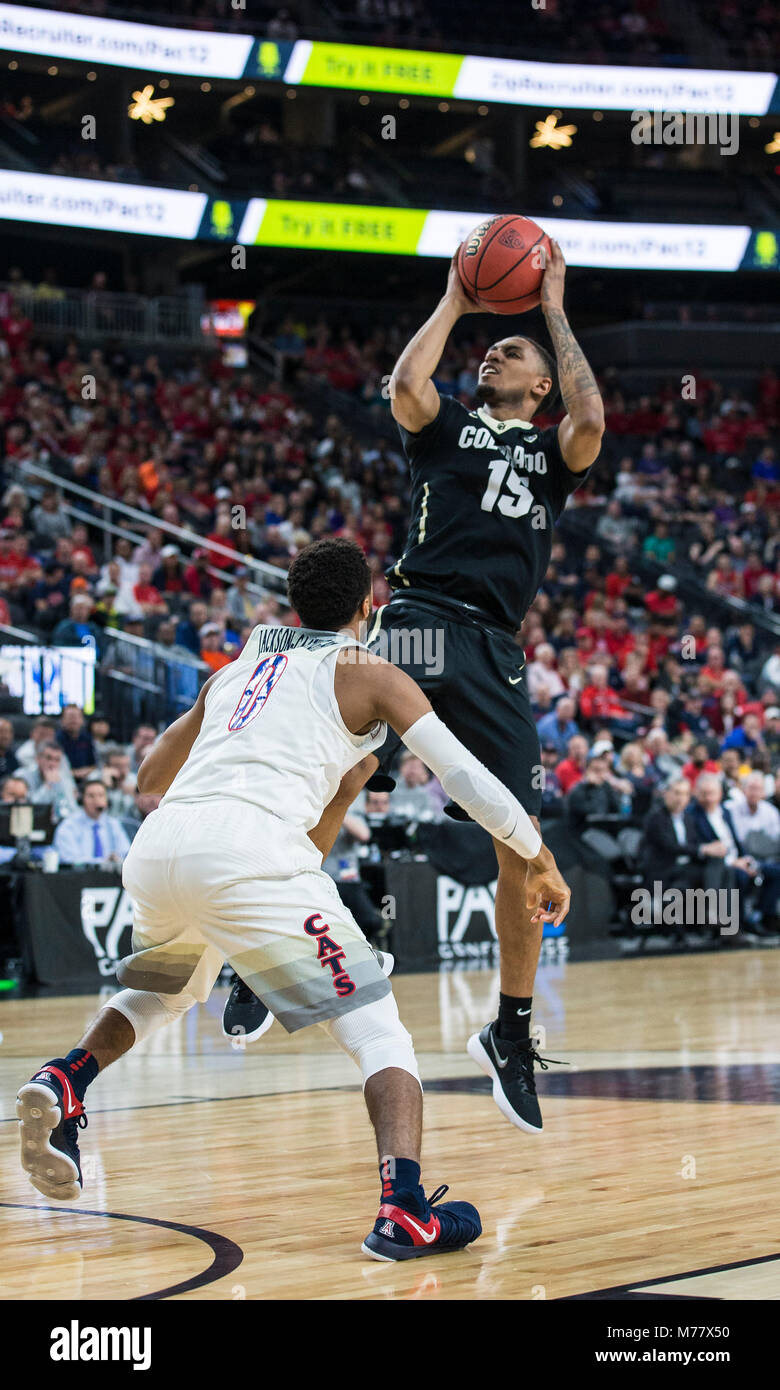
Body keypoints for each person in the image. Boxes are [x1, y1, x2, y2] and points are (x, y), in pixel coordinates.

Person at [18, 539, 568, 1261]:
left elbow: (150, 774)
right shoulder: (370, 671)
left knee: (167, 992)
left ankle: (65, 1078)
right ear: (368, 607)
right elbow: (465, 776)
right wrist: (538, 854)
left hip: (161, 846)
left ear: (292, 604)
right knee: (379, 1034)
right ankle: (404, 1210)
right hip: (249, 851)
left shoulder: (236, 671)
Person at [220, 243, 602, 1133]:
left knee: (521, 839)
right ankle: (254, 961)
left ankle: (510, 1031)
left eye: (514, 356)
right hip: (421, 616)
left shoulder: (554, 453)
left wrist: (551, 310)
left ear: (541, 385)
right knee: (343, 779)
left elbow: (591, 416)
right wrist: (455, 298)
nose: (493, 356)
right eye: (490, 350)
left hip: (496, 648)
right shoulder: (447, 426)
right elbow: (404, 384)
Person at [53, 779, 131, 866]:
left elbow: (126, 853)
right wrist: (102, 862)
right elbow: (69, 859)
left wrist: (117, 859)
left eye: (101, 795)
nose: (96, 800)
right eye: (91, 796)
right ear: (81, 799)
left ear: (107, 800)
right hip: (80, 877)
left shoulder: (113, 824)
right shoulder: (68, 826)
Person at [18, 742, 78, 822]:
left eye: (57, 760)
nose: (52, 764)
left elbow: (72, 809)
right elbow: (30, 808)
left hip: (55, 825)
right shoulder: (23, 776)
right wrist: (47, 786)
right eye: (49, 758)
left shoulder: (64, 779)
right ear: (38, 759)